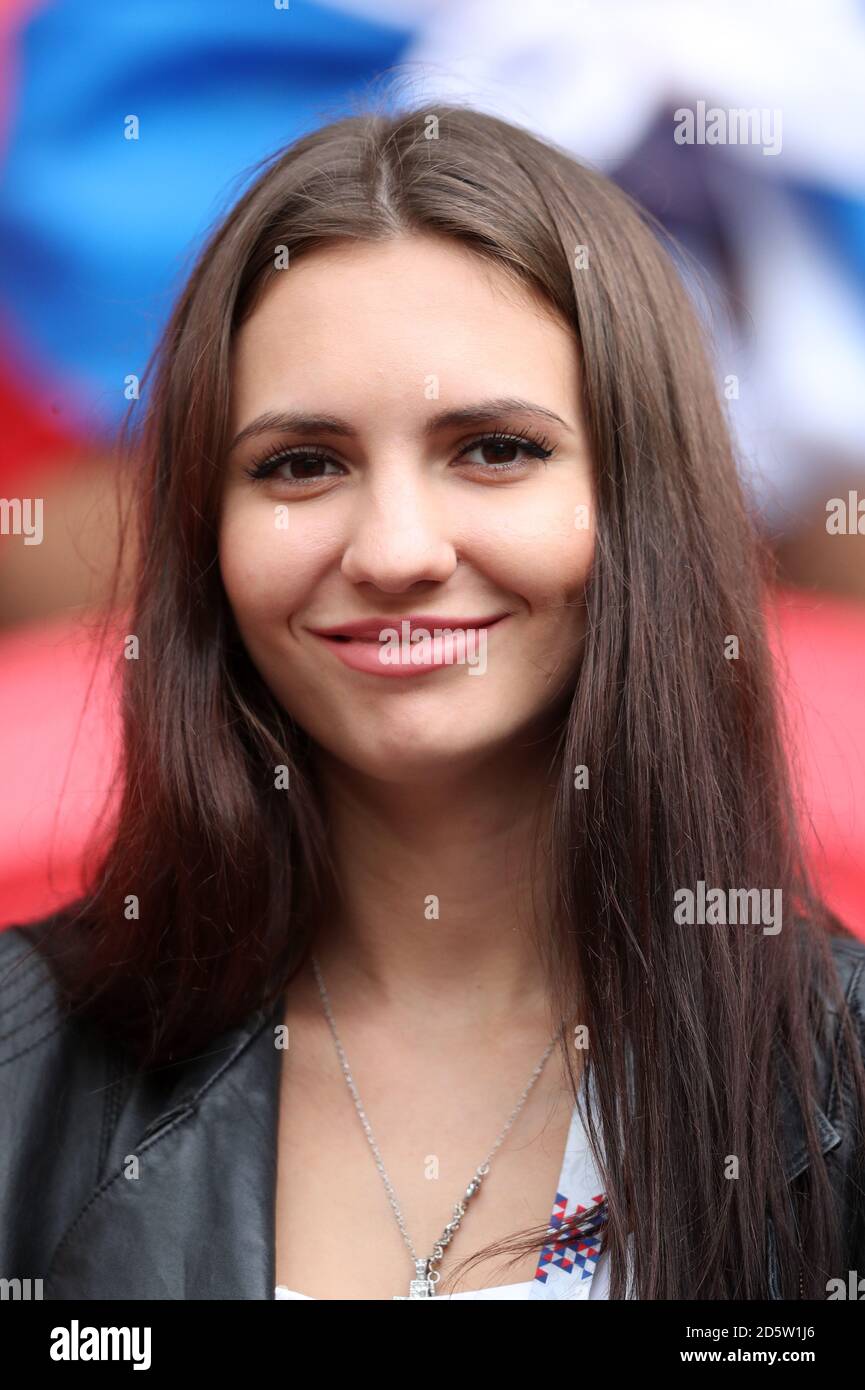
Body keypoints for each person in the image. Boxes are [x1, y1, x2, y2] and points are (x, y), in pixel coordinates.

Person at [1, 100, 864, 1302]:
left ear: (644, 506)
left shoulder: (842, 1084)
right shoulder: (17, 1069)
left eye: (494, 448)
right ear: (206, 536)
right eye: (301, 464)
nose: (397, 550)